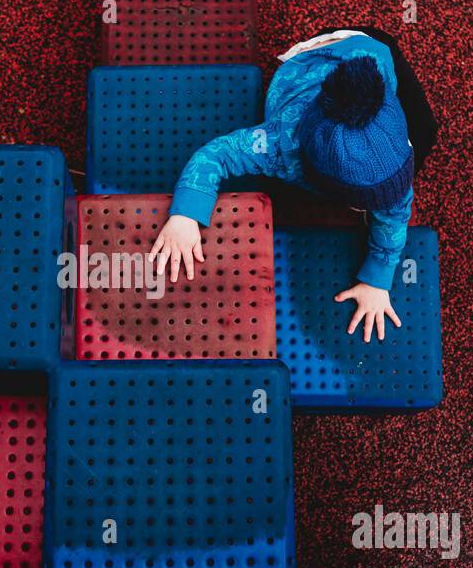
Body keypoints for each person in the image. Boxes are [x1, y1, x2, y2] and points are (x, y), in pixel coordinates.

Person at [147, 27, 437, 342]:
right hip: (307, 63)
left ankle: (384, 48)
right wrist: (186, 215)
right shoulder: (279, 145)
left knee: (427, 132)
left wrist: (377, 281)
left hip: (371, 56)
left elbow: (395, 214)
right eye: (365, 202)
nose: (390, 204)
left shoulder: (390, 139)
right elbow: (215, 156)